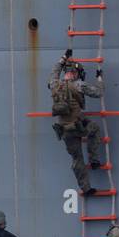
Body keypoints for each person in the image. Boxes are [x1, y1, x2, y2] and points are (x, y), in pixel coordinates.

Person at [48, 51, 106, 196]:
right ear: (74, 73)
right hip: (78, 127)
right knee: (95, 129)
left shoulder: (54, 84)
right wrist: (99, 77)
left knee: (77, 159)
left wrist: (62, 59)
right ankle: (94, 160)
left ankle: (85, 188)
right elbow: (99, 92)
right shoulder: (79, 85)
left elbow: (55, 72)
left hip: (64, 130)